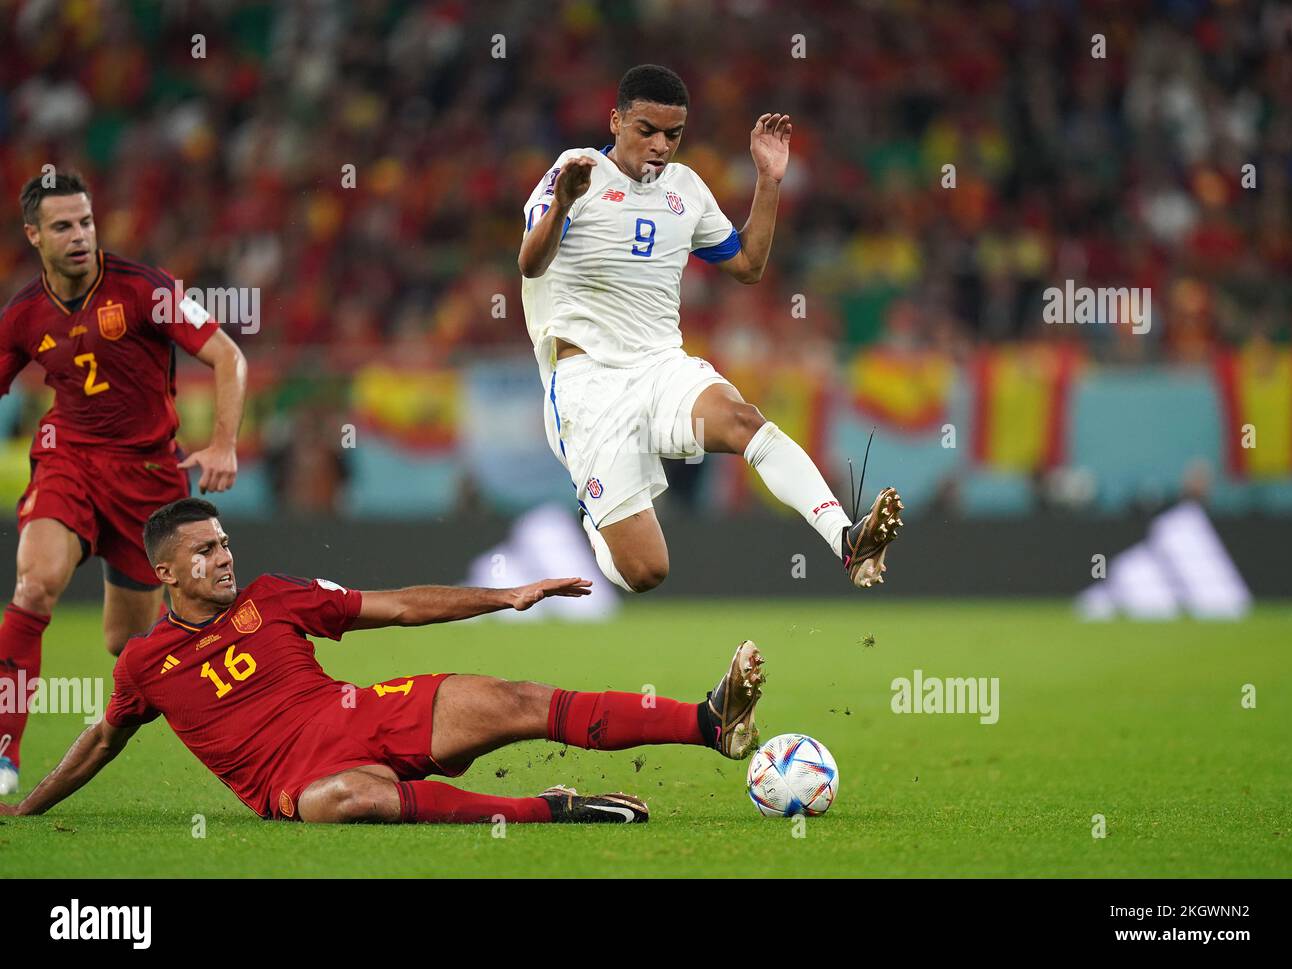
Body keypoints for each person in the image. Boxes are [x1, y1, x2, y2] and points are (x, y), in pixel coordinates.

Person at [0, 499, 765, 824]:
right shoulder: (143, 663)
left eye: (226, 541)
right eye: (205, 551)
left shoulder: (275, 596)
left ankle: (710, 721)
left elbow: (397, 605)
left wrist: (506, 596)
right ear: (165, 573)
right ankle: (549, 810)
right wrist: (29, 808)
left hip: (361, 713)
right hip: (294, 782)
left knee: (520, 697)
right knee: (342, 803)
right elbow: (102, 738)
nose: (226, 556)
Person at [519, 64, 902, 596]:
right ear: (615, 121)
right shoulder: (576, 171)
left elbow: (747, 265)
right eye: (646, 130)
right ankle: (595, 513)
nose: (659, 145)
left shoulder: (687, 190)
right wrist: (562, 203)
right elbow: (529, 264)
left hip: (660, 367)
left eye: (672, 135)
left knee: (744, 421)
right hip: (588, 384)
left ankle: (845, 538)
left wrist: (769, 181)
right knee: (647, 571)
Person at [0, 171, 248, 795]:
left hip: (147, 479)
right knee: (34, 587)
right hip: (69, 461)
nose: (79, 235)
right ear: (34, 235)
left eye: (85, 221)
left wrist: (222, 442)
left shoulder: (146, 289)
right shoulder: (24, 313)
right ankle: (4, 753)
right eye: (62, 226)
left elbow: (227, 355)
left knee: (128, 645)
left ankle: (242, 734)